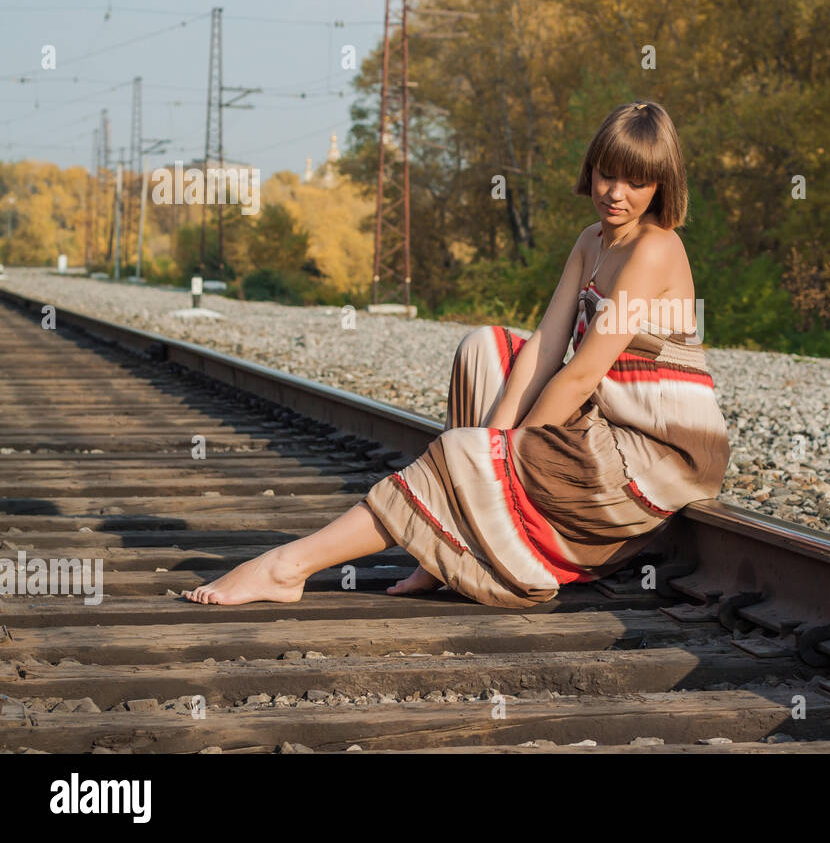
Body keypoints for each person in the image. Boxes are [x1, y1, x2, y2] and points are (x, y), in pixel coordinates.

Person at [184, 100, 731, 608]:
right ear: (591, 169)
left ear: (661, 186)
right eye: (608, 174)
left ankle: (287, 566)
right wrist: (494, 447)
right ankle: (450, 544)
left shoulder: (656, 247)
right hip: (606, 422)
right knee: (485, 350)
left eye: (637, 182)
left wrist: (497, 455)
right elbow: (545, 347)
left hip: (653, 453)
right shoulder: (593, 239)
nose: (617, 193)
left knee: (466, 454)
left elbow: (582, 372)